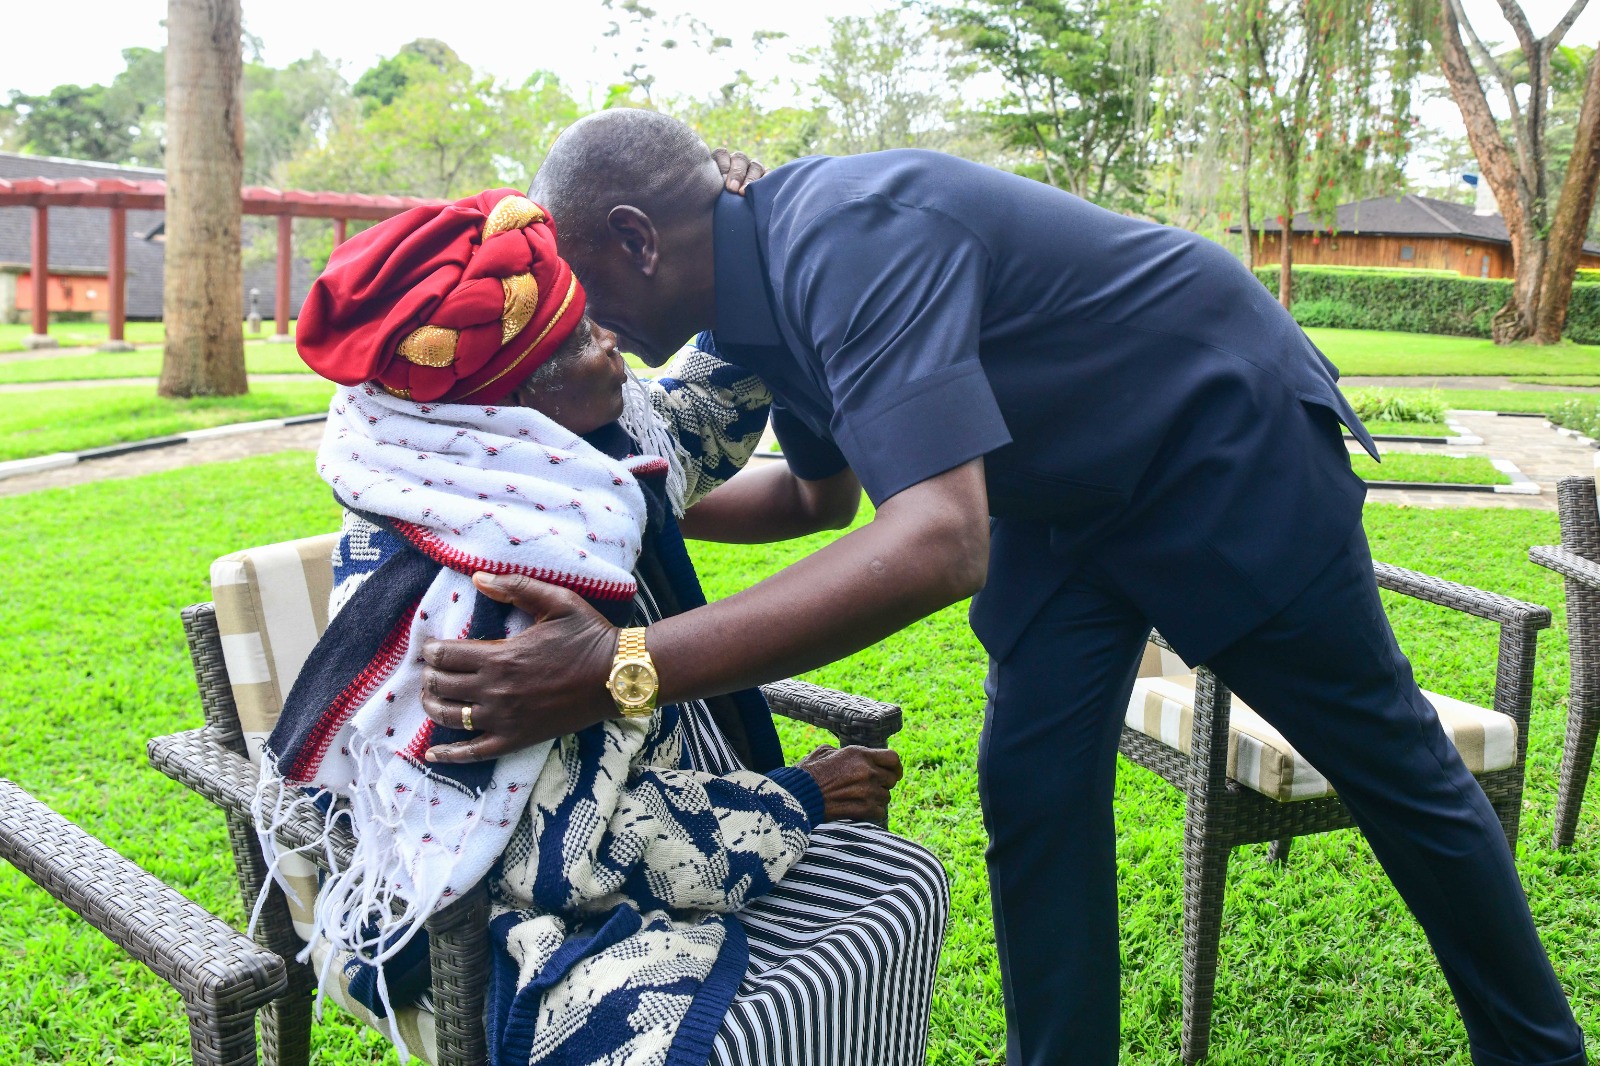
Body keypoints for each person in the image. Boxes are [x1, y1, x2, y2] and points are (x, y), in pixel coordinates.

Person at [416, 113, 1590, 1066]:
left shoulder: (848, 240)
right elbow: (814, 501)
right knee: (1031, 783)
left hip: (1221, 443)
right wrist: (609, 495)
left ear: (635, 237)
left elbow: (936, 542)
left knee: (1393, 762)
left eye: (577, 283)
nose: (579, 320)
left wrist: (616, 668)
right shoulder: (756, 309)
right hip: (1064, 500)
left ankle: (1534, 1049)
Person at [262, 187, 948, 1066]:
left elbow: (698, 412)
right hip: (508, 915)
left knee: (908, 886)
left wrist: (762, 249)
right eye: (585, 335)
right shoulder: (473, 603)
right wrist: (798, 799)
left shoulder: (556, 472)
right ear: (513, 407)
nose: (613, 343)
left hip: (667, 807)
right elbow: (555, 853)